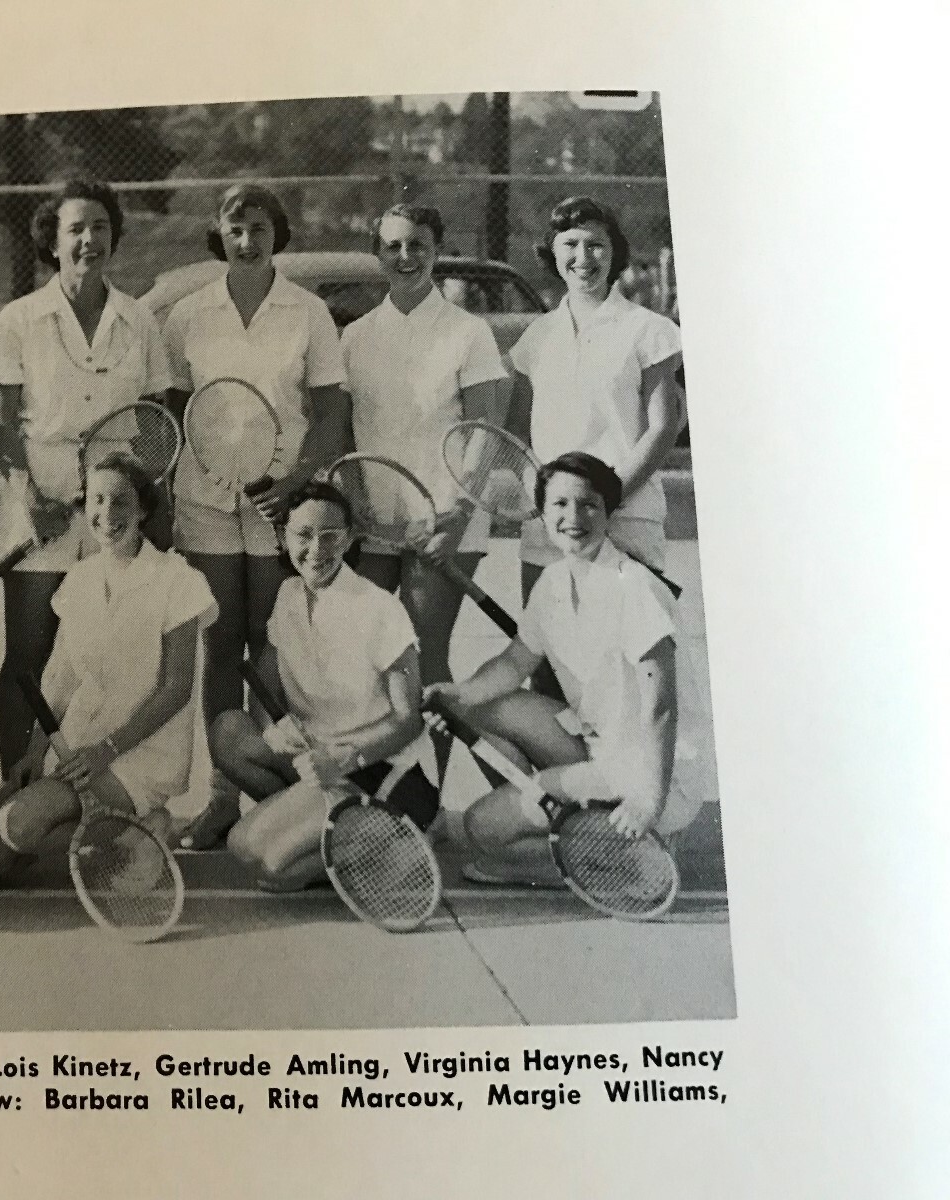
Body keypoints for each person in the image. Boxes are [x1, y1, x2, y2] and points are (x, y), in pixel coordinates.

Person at [163, 183, 350, 849]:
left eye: (259, 228)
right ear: (220, 234)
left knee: (273, 650)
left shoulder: (308, 312)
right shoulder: (188, 314)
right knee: (222, 647)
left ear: (278, 235)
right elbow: (172, 417)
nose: (247, 239)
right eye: (236, 228)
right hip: (205, 504)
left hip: (282, 508)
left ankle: (285, 790)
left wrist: (295, 483)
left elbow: (331, 412)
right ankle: (221, 799)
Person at [426, 453, 697, 887]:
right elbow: (515, 663)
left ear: (609, 512)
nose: (574, 517)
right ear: (542, 513)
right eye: (560, 505)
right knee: (478, 706)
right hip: (597, 752)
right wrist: (458, 695)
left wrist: (649, 799)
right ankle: (587, 833)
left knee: (482, 832)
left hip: (652, 773)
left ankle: (627, 849)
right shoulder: (553, 581)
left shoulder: (636, 587)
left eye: (589, 504)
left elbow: (661, 706)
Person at [0, 180, 173, 774]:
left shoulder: (138, 320)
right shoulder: (20, 318)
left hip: (116, 503)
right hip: (36, 498)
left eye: (100, 227)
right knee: (29, 657)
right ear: (53, 241)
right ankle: (13, 795)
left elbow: (156, 418)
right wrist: (31, 497)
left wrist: (139, 500)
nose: (90, 239)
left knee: (111, 655)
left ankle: (101, 795)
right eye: (76, 229)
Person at [0, 454, 214, 888]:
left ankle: (146, 828)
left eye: (120, 502)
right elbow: (59, 681)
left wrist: (106, 751)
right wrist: (35, 752)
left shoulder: (179, 579)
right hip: (78, 753)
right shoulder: (79, 579)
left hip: (141, 758)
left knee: (19, 826)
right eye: (97, 501)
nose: (107, 515)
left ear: (144, 510)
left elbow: (176, 690)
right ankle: (115, 833)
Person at [340, 202, 509, 781]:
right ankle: (376, 792)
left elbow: (487, 429)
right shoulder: (355, 337)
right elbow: (346, 432)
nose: (406, 257)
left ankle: (428, 799)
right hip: (375, 526)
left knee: (424, 658)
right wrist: (356, 505)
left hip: (445, 523)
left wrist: (458, 513)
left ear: (437, 250)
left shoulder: (469, 332)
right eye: (394, 246)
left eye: (418, 245)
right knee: (367, 662)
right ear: (378, 255)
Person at [210, 483, 436, 891]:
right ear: (283, 537)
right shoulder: (288, 594)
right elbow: (266, 675)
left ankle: (391, 837)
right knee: (241, 836)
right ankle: (334, 824)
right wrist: (270, 727)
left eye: (330, 535)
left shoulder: (379, 607)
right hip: (317, 758)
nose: (317, 548)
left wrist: (342, 759)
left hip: (381, 769)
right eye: (304, 535)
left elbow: (408, 721)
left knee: (278, 870)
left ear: (349, 538)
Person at [509, 196, 685, 601]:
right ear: (552, 253)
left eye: (595, 244)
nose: (583, 257)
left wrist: (609, 498)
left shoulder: (649, 330)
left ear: (614, 253)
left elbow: (661, 429)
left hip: (627, 519)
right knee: (549, 656)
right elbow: (516, 437)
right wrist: (544, 496)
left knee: (628, 657)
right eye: (570, 244)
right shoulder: (535, 338)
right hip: (550, 526)